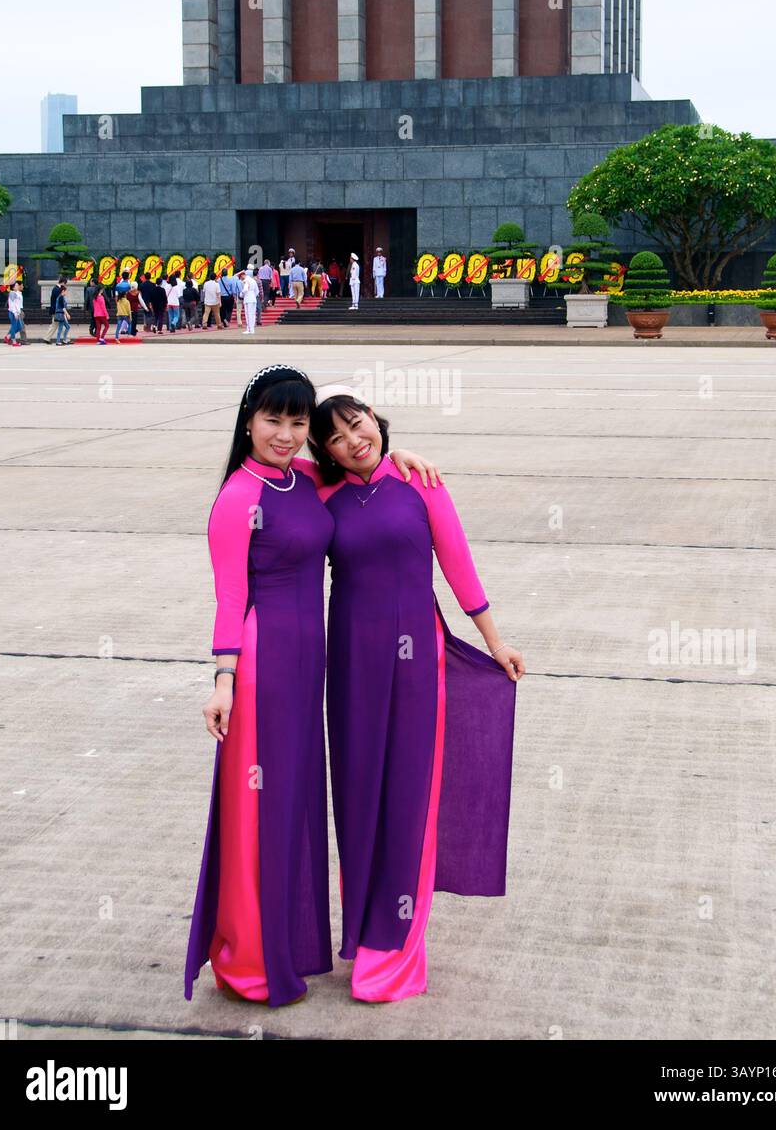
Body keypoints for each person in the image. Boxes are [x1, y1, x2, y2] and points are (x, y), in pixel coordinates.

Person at [184, 364, 437, 1008]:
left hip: (312, 665)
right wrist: (223, 679)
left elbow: (359, 469)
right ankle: (249, 958)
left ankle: (290, 945)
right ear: (248, 421)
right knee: (260, 809)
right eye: (275, 420)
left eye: (298, 423)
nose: (287, 434)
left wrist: (394, 447)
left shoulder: (303, 480)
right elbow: (228, 595)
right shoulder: (238, 496)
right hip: (265, 662)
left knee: (298, 803)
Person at [307, 386, 522, 1003]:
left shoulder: (420, 486)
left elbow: (459, 567)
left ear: (375, 419)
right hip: (348, 663)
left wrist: (496, 642)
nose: (354, 441)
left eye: (359, 426)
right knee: (355, 797)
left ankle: (397, 948)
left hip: (415, 664)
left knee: (408, 796)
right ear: (328, 451)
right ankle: (364, 934)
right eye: (338, 439)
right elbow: (281, 461)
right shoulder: (324, 495)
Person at [43, 275, 66, 344]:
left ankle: (47, 338)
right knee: (58, 324)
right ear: (63, 282)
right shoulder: (57, 289)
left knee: (56, 324)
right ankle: (66, 338)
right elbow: (58, 301)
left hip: (56, 310)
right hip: (57, 310)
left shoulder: (56, 288)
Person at [6, 281, 24, 346]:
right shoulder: (12, 293)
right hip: (13, 313)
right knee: (13, 327)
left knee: (19, 327)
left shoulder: (16, 293)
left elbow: (18, 304)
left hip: (17, 312)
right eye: (16, 286)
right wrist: (15, 313)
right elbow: (12, 305)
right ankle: (14, 342)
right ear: (13, 288)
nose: (18, 286)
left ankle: (8, 337)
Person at [241, 269, 258, 334]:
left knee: (248, 314)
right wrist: (253, 295)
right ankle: (252, 329)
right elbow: (257, 291)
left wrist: (241, 294)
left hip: (248, 299)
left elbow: (245, 289)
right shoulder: (254, 281)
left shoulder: (246, 280)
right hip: (253, 298)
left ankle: (249, 329)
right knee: (252, 314)